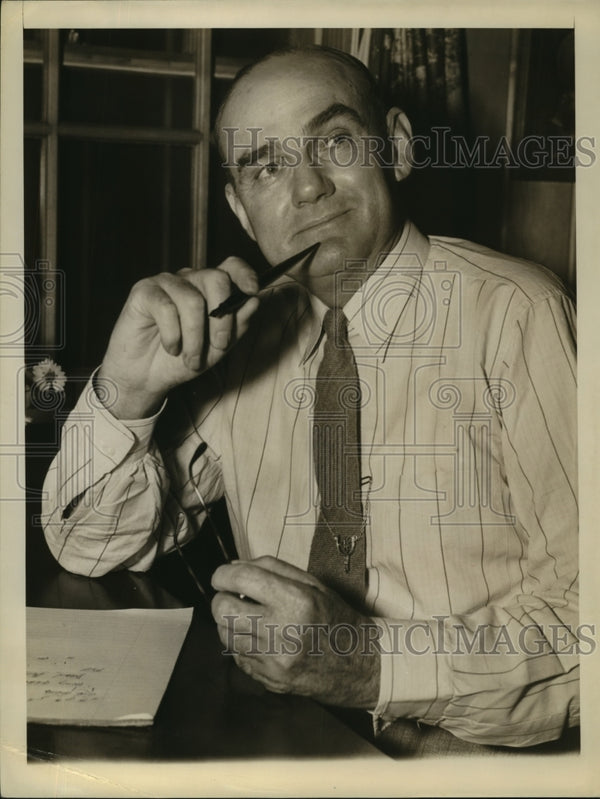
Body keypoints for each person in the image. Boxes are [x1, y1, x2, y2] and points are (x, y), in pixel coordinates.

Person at [42, 45, 579, 753]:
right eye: (265, 166)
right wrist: (127, 395)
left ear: (398, 146)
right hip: (288, 741)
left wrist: (370, 665)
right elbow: (90, 545)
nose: (307, 190)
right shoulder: (250, 333)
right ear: (239, 207)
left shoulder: (520, 313)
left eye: (334, 142)